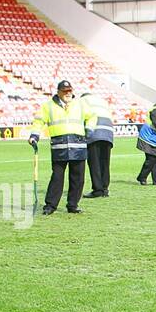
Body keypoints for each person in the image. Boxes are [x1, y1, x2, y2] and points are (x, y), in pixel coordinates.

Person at [28, 80, 86, 215]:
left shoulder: (80, 104)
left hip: (78, 146)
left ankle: (73, 205)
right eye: (65, 91)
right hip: (59, 146)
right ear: (58, 92)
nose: (68, 93)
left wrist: (90, 132)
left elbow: (91, 118)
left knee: (78, 178)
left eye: (69, 91)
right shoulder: (48, 106)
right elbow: (38, 122)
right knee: (57, 177)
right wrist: (34, 136)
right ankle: (50, 205)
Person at [80, 90, 114, 198]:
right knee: (105, 162)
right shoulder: (101, 101)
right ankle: (105, 189)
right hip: (108, 132)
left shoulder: (82, 101)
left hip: (94, 131)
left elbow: (81, 117)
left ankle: (97, 189)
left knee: (94, 162)